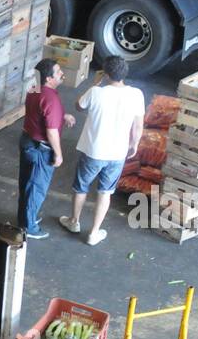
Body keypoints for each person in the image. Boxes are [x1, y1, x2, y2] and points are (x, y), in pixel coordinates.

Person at [59, 55, 144, 246]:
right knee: (106, 192)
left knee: (81, 187)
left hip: (93, 151)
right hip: (117, 153)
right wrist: (134, 144)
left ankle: (74, 221)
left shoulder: (96, 92)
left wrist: (96, 83)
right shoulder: (136, 94)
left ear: (106, 74)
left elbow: (79, 106)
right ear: (125, 73)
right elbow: (138, 126)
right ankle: (94, 232)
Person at [16, 58, 76, 240]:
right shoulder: (50, 98)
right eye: (58, 72)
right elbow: (51, 132)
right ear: (49, 79)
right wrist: (58, 154)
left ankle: (24, 219)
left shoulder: (35, 88)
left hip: (27, 141)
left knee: (26, 184)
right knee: (36, 188)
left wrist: (61, 116)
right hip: (40, 149)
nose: (62, 74)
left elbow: (40, 111)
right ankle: (29, 227)